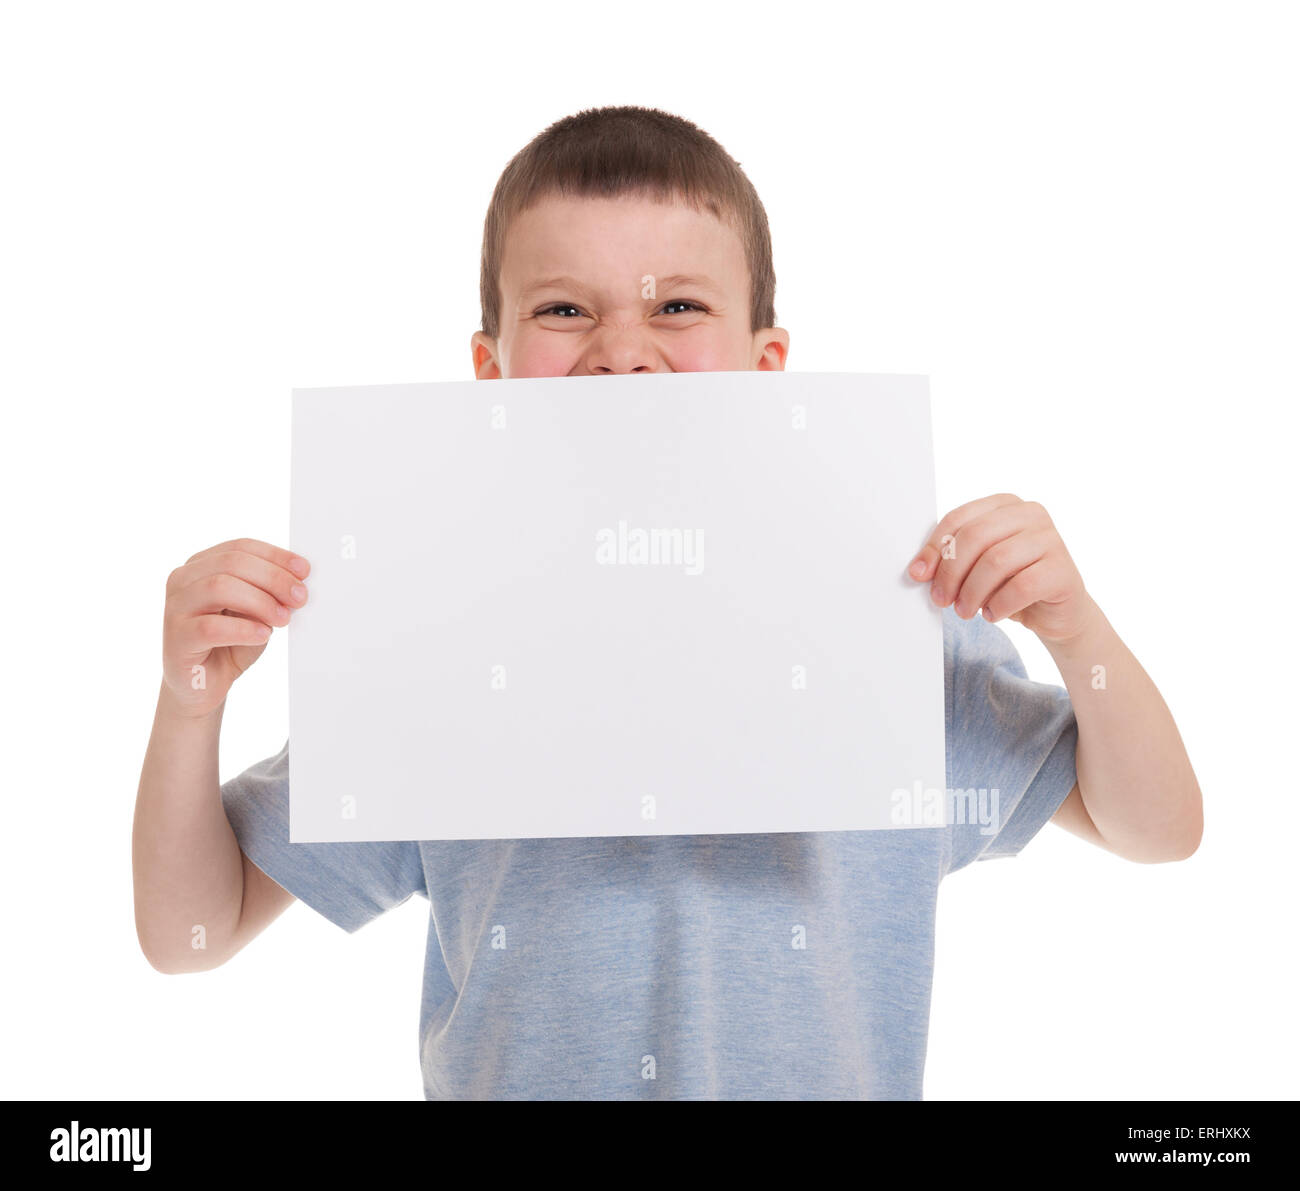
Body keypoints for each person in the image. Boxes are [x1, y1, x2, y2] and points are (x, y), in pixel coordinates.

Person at [132, 104, 1202, 1100]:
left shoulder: (896, 616)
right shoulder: (434, 641)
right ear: (490, 370)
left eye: (677, 306)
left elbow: (1156, 829)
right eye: (563, 311)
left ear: (765, 363)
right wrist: (191, 703)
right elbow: (190, 932)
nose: (622, 354)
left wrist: (1076, 628)